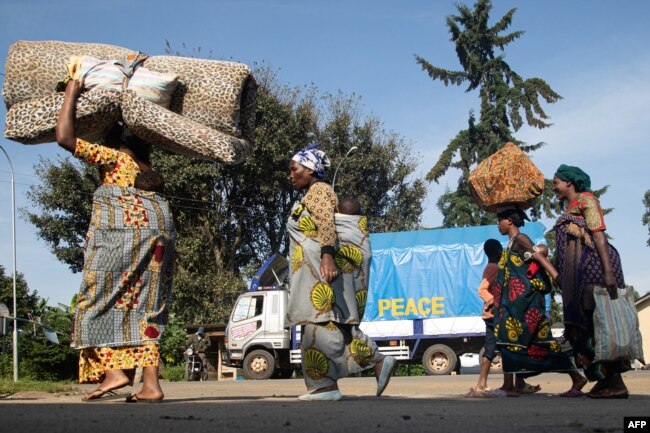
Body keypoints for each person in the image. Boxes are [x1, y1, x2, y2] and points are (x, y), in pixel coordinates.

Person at [57, 79, 176, 402]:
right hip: (161, 236)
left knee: (95, 302)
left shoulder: (116, 160)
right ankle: (150, 386)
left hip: (124, 235)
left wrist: (71, 92)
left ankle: (114, 371)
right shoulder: (149, 170)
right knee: (146, 308)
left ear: (117, 141)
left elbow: (64, 138)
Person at [287, 144, 396, 401]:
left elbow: (325, 220)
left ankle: (325, 387)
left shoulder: (319, 190)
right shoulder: (313, 192)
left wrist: (327, 254)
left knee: (317, 326)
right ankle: (377, 362)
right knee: (335, 324)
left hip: (319, 273)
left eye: (294, 169)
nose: (291, 175)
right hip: (316, 273)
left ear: (310, 169)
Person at [552, 164, 629, 399]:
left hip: (593, 271)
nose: (554, 187)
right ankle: (602, 379)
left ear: (569, 183)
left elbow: (598, 234)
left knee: (596, 326)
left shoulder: (587, 200)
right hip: (576, 277)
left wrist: (608, 273)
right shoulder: (570, 207)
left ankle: (616, 383)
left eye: (556, 182)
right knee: (580, 328)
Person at [492, 207, 587, 396]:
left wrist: (557, 276)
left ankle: (510, 385)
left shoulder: (521, 239)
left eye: (500, 220)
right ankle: (515, 383)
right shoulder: (511, 243)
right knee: (522, 342)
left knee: (514, 338)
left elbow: (538, 256)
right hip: (515, 304)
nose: (497, 225)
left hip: (526, 305)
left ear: (509, 221)